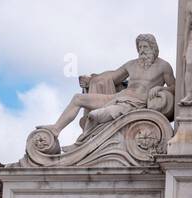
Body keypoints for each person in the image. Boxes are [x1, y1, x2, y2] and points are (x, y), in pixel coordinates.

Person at [38, 34, 175, 140]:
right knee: (78, 98)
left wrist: (161, 89)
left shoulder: (163, 66)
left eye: (145, 47)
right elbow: (112, 76)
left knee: (94, 116)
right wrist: (91, 79)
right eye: (139, 47)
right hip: (118, 98)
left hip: (134, 105)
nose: (142, 51)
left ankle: (85, 144)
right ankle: (56, 129)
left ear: (153, 47)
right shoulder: (131, 64)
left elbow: (175, 88)